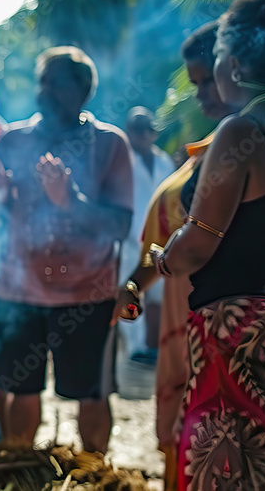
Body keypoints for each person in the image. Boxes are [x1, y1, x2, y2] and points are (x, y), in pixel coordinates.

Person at [152, 0, 265, 488]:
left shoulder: (239, 132)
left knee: (230, 470)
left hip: (237, 333)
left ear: (237, 65)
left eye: (220, 55)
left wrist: (165, 259)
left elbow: (198, 244)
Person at [0, 46, 133, 453]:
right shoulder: (14, 141)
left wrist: (70, 200)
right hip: (19, 291)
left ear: (83, 92)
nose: (45, 92)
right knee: (21, 388)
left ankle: (94, 471)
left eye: (58, 84)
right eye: (42, 82)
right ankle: (20, 468)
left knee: (92, 394)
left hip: (87, 293)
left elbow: (120, 225)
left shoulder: (110, 144)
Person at [112, 21, 239, 491]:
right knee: (186, 441)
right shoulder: (199, 160)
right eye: (196, 82)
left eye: (209, 80)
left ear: (237, 70)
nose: (202, 94)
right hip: (185, 327)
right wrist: (132, 287)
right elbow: (162, 244)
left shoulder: (261, 153)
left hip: (232, 328)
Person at [119, 106, 175, 363]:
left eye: (147, 129)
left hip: (159, 238)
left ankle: (156, 345)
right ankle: (136, 348)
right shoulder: (122, 160)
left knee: (159, 293)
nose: (142, 135)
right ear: (129, 131)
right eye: (137, 129)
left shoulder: (164, 161)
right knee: (131, 290)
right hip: (130, 239)